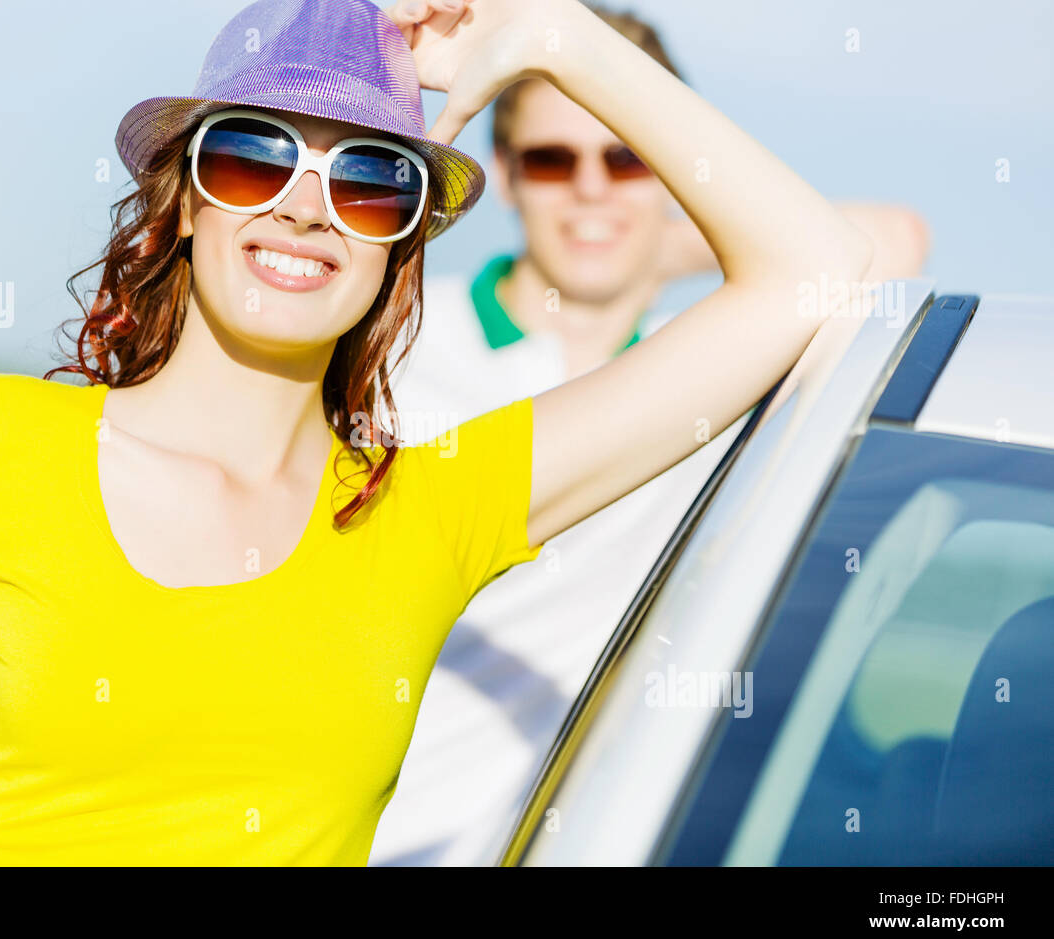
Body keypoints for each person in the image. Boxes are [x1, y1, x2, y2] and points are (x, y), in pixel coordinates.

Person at [0, 0, 876, 866]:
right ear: (183, 197)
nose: (303, 205)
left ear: (399, 243)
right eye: (255, 155)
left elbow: (809, 273)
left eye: (371, 179)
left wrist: (556, 36)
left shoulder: (431, 505)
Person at [368, 7, 930, 866]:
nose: (591, 188)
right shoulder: (394, 349)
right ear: (507, 178)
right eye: (554, 162)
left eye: (625, 159)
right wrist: (616, 235)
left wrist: (643, 252)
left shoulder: (717, 379)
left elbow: (890, 243)